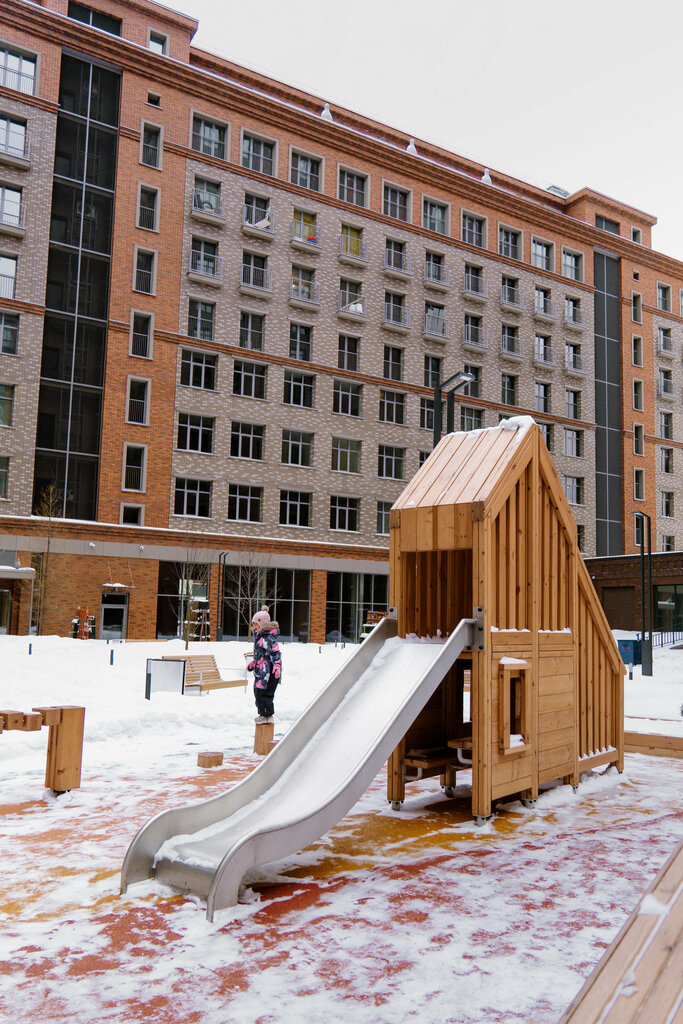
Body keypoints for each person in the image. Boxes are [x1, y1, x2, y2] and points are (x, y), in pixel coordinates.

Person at [247, 605, 282, 723]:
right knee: (258, 692)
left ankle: (267, 715)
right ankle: (264, 714)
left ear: (261, 624)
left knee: (264, 693)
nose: (253, 627)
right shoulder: (260, 638)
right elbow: (262, 654)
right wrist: (254, 662)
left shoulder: (267, 638)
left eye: (255, 624)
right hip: (261, 671)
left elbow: (275, 652)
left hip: (268, 672)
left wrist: (277, 666)